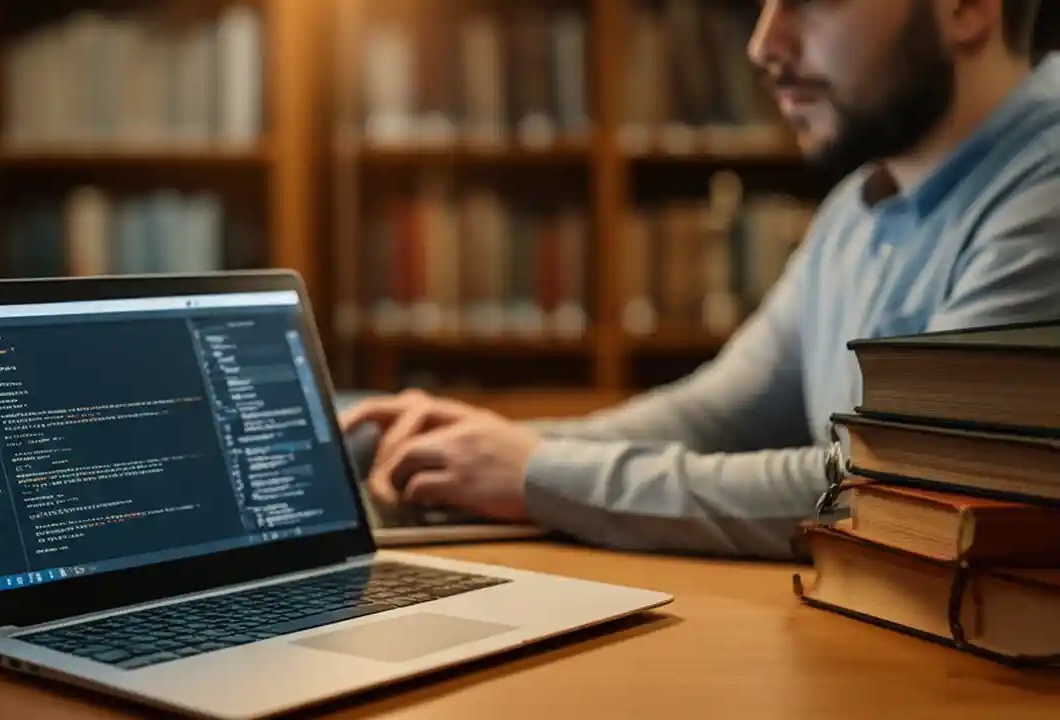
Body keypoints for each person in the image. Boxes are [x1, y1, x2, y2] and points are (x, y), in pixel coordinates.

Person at [340, 0, 1060, 559]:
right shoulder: (862, 203)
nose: (763, 45)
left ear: (968, 7)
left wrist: (539, 473)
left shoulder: (1046, 191)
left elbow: (898, 488)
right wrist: (473, 449)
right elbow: (715, 415)